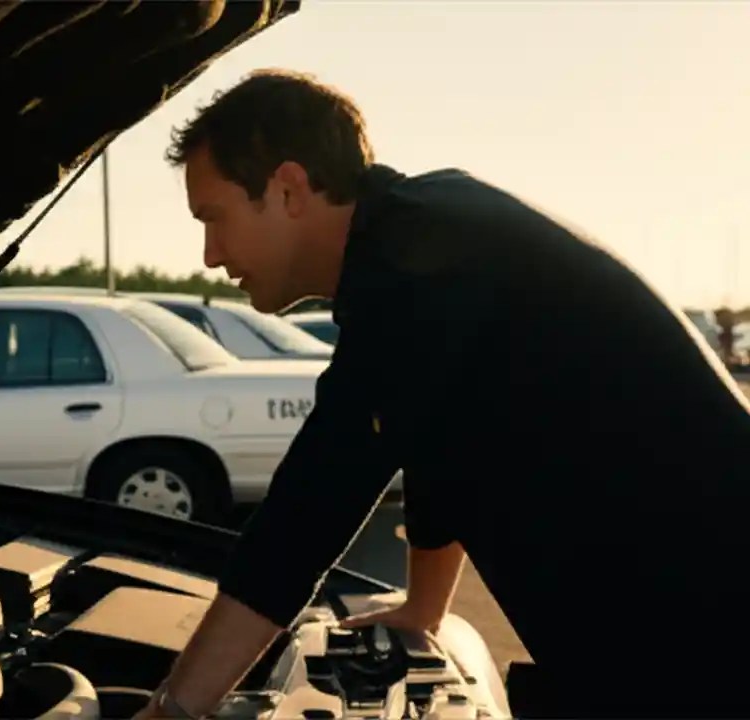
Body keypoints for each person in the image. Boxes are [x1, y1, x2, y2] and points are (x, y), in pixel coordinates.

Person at [135, 69, 750, 719]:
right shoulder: (427, 234)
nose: (209, 254)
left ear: (288, 189)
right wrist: (425, 608)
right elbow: (434, 441)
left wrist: (173, 709)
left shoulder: (410, 270)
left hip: (711, 645)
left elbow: (307, 512)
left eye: (214, 217)